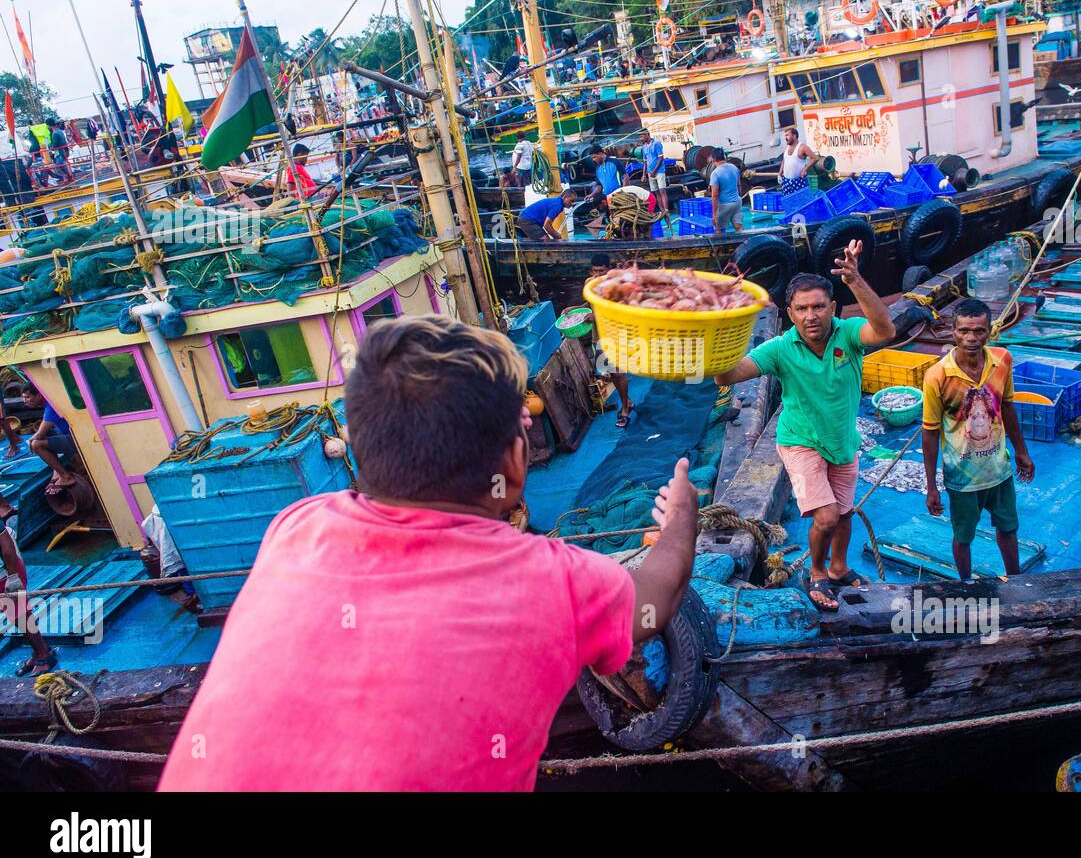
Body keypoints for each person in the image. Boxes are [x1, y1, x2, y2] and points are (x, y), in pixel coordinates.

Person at [158, 316, 697, 791]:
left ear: (359, 445)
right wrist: (680, 521)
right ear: (511, 467)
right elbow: (650, 604)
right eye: (521, 430)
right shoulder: (553, 581)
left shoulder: (296, 526)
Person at [712, 254, 895, 612]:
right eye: (802, 309)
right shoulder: (781, 348)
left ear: (833, 307)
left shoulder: (849, 334)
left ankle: (839, 567)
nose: (811, 316)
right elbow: (727, 376)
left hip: (842, 441)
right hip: (799, 441)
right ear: (790, 313)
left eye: (818, 307)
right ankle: (816, 570)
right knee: (825, 516)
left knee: (843, 514)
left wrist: (856, 278)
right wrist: (719, 333)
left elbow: (885, 331)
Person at [921, 298, 1034, 582]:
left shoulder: (1003, 361)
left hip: (999, 470)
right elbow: (930, 432)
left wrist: (1021, 450)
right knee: (963, 536)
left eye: (979, 331)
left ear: (989, 332)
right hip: (962, 478)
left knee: (1008, 529)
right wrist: (931, 485)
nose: (971, 338)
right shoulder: (937, 376)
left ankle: (1017, 580)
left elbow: (1007, 406)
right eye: (964, 331)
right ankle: (965, 584)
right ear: (952, 331)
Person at [2, 524, 56, 676]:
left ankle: (44, 654)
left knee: (20, 614)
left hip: (7, 565)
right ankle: (40, 650)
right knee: (15, 616)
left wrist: (12, 576)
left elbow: (5, 543)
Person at [21, 386, 77, 496]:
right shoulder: (49, 403)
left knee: (36, 445)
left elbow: (39, 435)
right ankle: (56, 471)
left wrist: (31, 442)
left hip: (76, 440)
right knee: (43, 434)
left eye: (27, 397)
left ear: (38, 395)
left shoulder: (51, 408)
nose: (25, 401)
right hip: (67, 434)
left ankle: (65, 476)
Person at [708, 148, 743, 233]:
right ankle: (745, 244)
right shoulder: (734, 168)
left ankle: (721, 246)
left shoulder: (715, 173)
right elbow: (739, 185)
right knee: (739, 227)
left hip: (725, 205)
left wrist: (714, 215)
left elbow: (715, 195)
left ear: (713, 159)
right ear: (724, 157)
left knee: (718, 229)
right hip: (737, 202)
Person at [779, 127, 817, 197]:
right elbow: (784, 160)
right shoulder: (786, 148)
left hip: (799, 181)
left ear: (794, 136)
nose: (786, 138)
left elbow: (814, 158)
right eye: (785, 136)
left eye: (787, 135)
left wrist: (804, 169)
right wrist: (780, 173)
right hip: (786, 181)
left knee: (802, 200)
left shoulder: (802, 147)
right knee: (788, 201)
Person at [639, 129, 667, 201]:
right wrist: (644, 174)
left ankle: (666, 211)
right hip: (650, 173)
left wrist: (654, 171)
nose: (640, 138)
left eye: (642, 136)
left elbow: (661, 158)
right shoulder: (644, 147)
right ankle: (662, 211)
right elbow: (645, 162)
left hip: (659, 171)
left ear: (647, 135)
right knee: (656, 192)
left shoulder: (656, 143)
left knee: (662, 191)